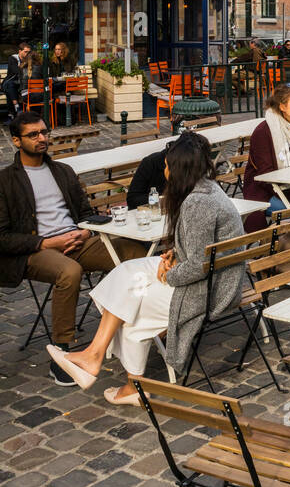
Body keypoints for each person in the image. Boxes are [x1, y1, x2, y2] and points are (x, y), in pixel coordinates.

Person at [48, 133, 246, 405]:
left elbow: (198, 267)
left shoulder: (197, 202)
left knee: (132, 309)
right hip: (215, 279)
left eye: (166, 164)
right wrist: (175, 253)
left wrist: (172, 271)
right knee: (127, 272)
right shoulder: (206, 189)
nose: (163, 169)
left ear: (177, 168)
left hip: (209, 290)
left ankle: (113, 371)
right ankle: (101, 361)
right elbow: (202, 248)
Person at [0, 111, 143, 385]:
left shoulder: (62, 171)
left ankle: (136, 327)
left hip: (78, 241)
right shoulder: (5, 181)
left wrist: (85, 231)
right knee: (70, 272)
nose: (42, 138)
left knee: (135, 251)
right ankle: (63, 353)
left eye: (44, 132)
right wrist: (47, 242)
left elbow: (87, 212)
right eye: (33, 135)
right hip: (36, 250)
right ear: (16, 141)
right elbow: (2, 237)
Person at [243, 83, 290, 231]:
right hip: (263, 192)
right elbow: (266, 177)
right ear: (282, 107)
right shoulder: (264, 132)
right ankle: (283, 250)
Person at [2, 41, 32, 118]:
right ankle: (17, 108)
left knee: (11, 89)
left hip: (21, 83)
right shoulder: (12, 58)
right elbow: (16, 71)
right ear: (20, 51)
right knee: (10, 85)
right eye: (25, 52)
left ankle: (12, 113)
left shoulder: (29, 59)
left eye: (29, 52)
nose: (27, 54)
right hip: (10, 81)